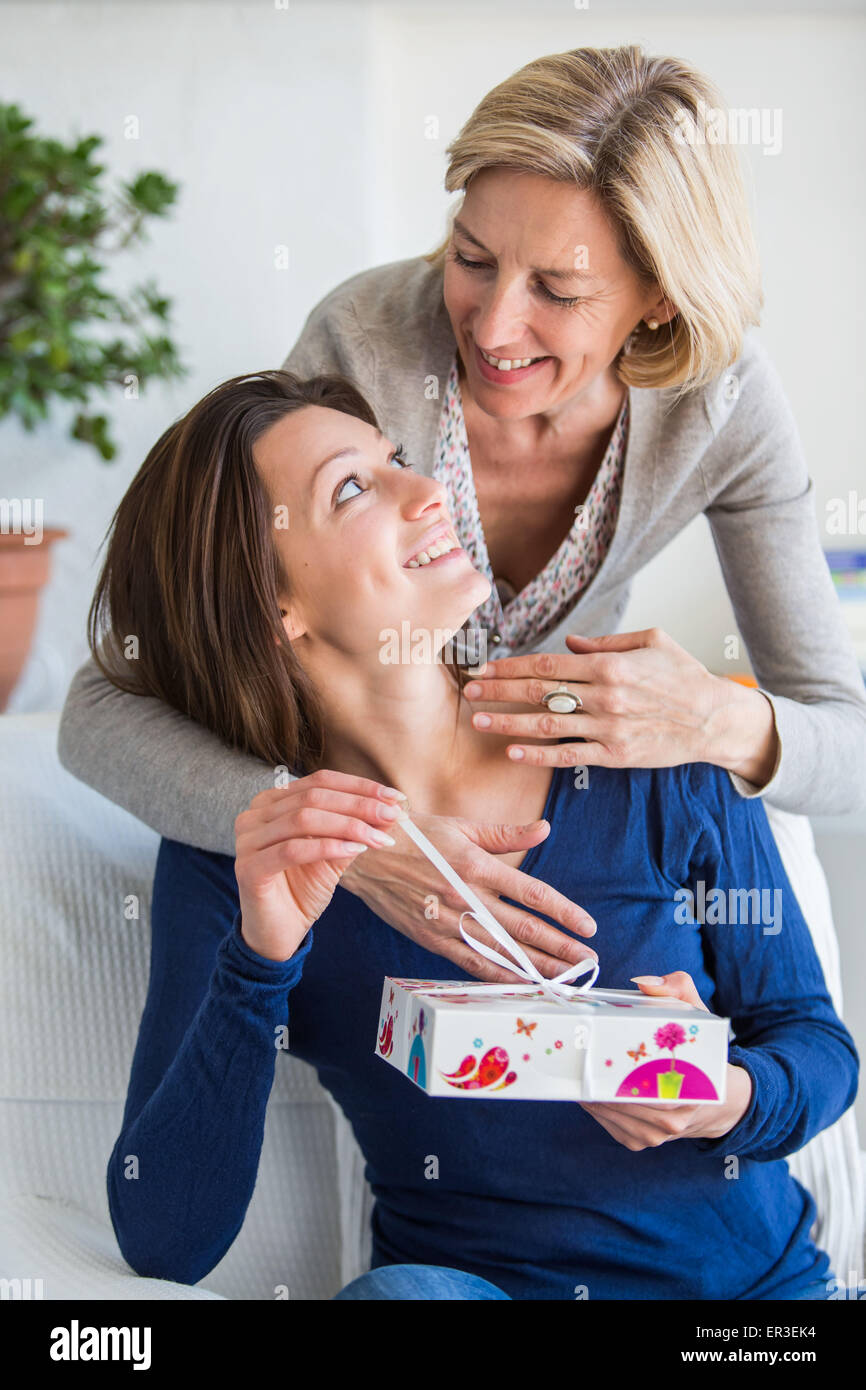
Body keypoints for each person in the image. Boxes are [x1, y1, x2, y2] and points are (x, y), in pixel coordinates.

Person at [57, 45, 866, 986]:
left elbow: (842, 740)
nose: (490, 328)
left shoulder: (720, 405)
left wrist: (717, 722)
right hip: (381, 808)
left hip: (562, 806)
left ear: (657, 300)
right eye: (470, 258)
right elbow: (102, 704)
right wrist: (358, 842)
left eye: (557, 292)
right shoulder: (365, 344)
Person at [93, 368, 857, 1300]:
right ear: (269, 603)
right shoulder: (250, 856)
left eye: (402, 460)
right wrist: (261, 961)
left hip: (750, 1310)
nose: (430, 491)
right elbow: (164, 1240)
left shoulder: (632, 740)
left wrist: (717, 1098)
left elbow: (816, 1047)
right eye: (353, 488)